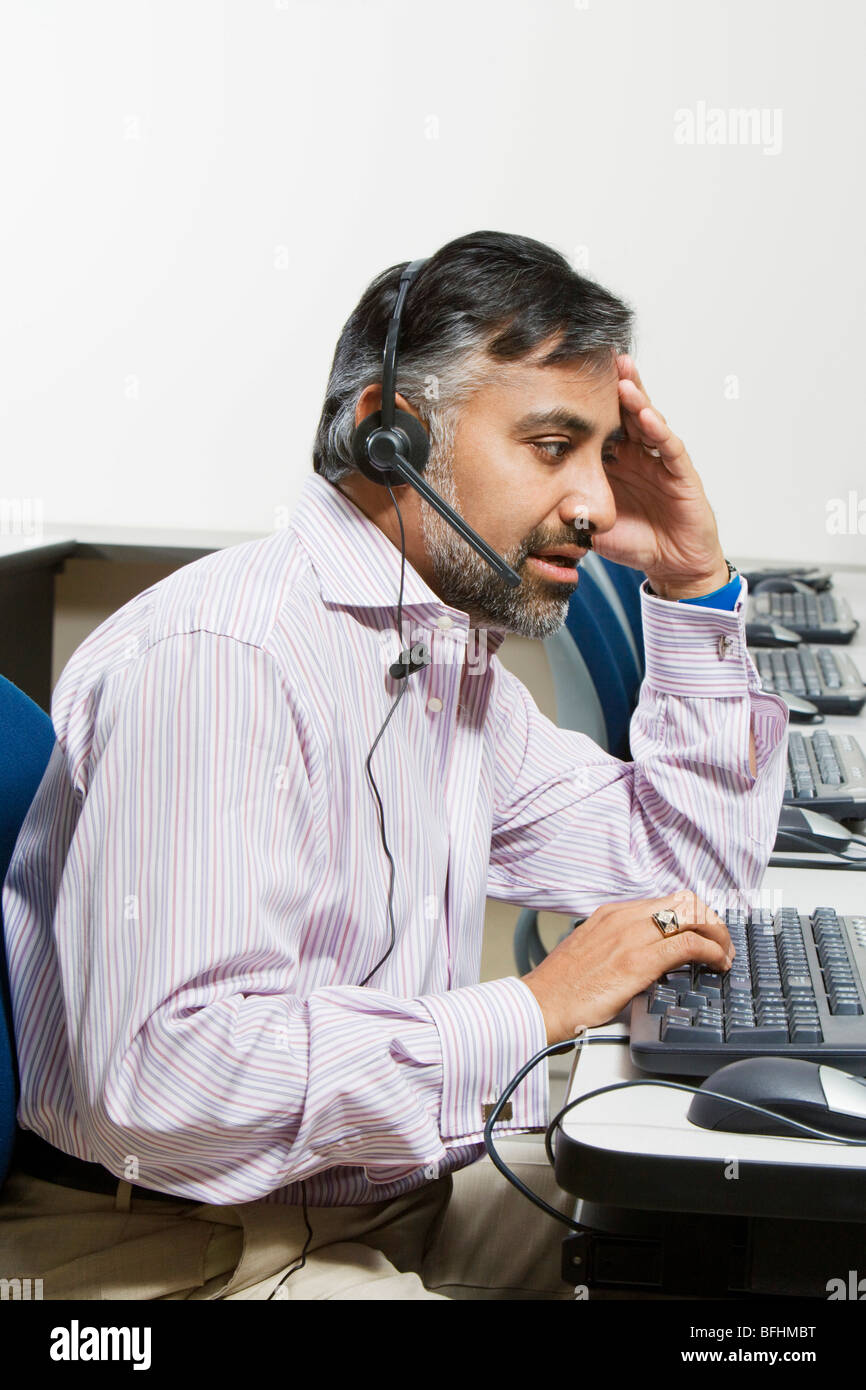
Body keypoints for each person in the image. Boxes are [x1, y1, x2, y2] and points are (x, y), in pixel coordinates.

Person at [0, 230, 788, 1299]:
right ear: (389, 438)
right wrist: (536, 1006)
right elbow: (167, 1077)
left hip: (377, 1193)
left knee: (728, 1244)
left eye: (601, 455)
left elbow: (686, 876)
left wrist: (694, 586)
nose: (596, 503)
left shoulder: (436, 658)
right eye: (551, 445)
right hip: (181, 1241)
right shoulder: (224, 663)